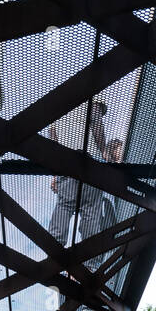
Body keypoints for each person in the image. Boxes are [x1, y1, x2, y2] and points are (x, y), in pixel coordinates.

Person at [48, 99, 109, 245]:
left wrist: (56, 174)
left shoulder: (57, 110)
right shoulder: (92, 98)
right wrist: (104, 151)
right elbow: (95, 122)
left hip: (66, 166)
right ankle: (90, 263)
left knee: (64, 205)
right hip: (90, 163)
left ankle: (54, 253)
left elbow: (53, 140)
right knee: (91, 214)